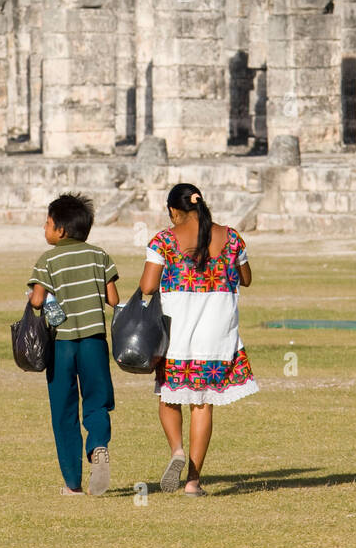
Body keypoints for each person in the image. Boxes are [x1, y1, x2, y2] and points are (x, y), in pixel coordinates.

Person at [140, 182, 258, 495]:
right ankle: (193, 481)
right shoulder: (231, 237)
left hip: (177, 334)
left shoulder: (164, 240)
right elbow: (246, 279)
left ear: (174, 210)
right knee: (203, 404)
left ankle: (177, 450)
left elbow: (148, 286)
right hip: (217, 335)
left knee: (169, 396)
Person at [28, 192, 120, 496]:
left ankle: (72, 484)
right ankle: (98, 445)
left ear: (61, 230)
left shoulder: (48, 260)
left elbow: (38, 299)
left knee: (64, 409)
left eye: (47, 223)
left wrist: (37, 298)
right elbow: (113, 299)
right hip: (94, 341)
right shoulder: (100, 255)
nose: (44, 228)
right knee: (96, 401)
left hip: (61, 345)